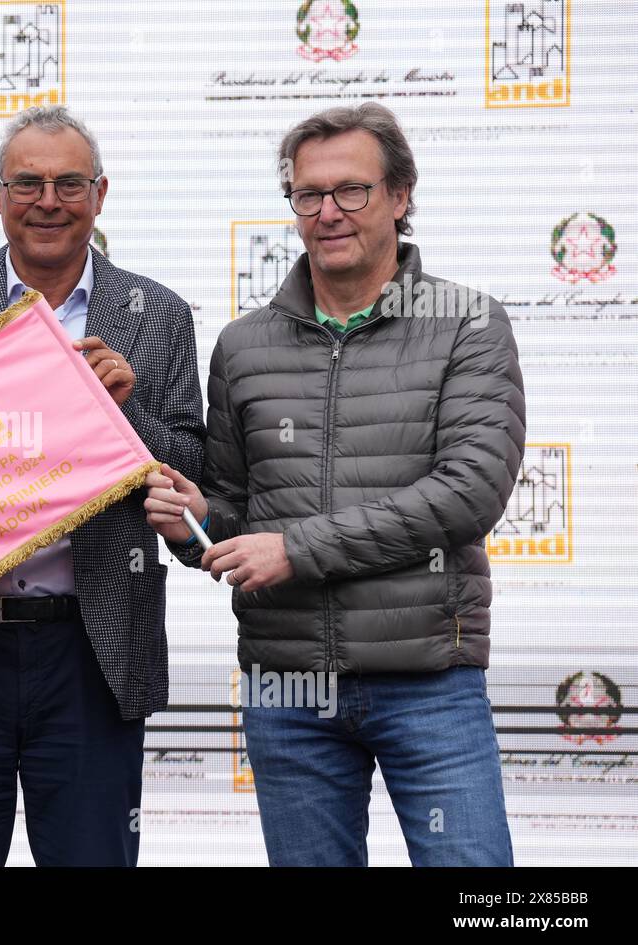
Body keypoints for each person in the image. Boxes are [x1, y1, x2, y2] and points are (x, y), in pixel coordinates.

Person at [146, 102, 525, 866]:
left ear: (401, 195)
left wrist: (296, 549)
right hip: (286, 694)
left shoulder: (468, 325)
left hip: (428, 681)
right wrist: (195, 525)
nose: (328, 212)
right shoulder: (243, 345)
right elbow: (233, 511)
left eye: (351, 190)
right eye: (308, 195)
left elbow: (469, 492)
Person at [0, 105, 206, 866]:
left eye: (68, 183)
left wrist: (130, 413)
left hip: (94, 646)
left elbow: (191, 479)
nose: (47, 201)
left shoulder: (158, 316)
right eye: (27, 183)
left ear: (101, 194)